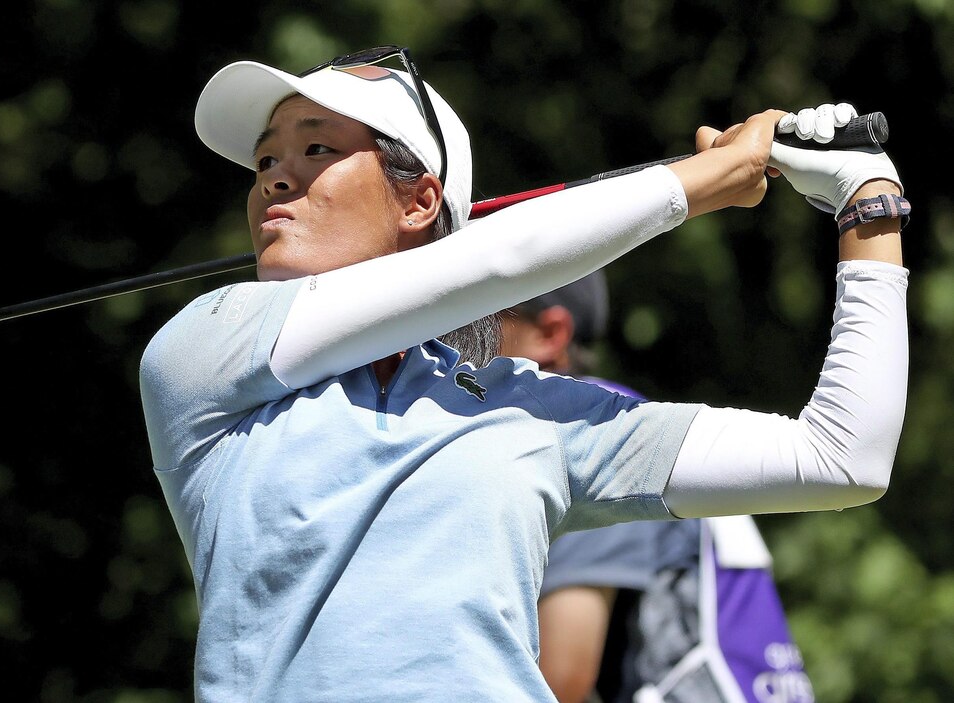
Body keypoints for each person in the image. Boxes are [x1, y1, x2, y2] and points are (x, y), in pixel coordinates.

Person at [138, 45, 909, 702]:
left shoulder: (526, 409)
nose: (275, 176)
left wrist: (867, 205)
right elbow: (496, 261)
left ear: (422, 201)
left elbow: (841, 458)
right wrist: (711, 176)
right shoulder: (203, 349)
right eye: (267, 158)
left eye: (316, 149)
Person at [503, 273, 814, 702]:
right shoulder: (626, 421)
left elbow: (559, 682)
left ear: (549, 334)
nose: (453, 340)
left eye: (478, 319)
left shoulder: (590, 438)